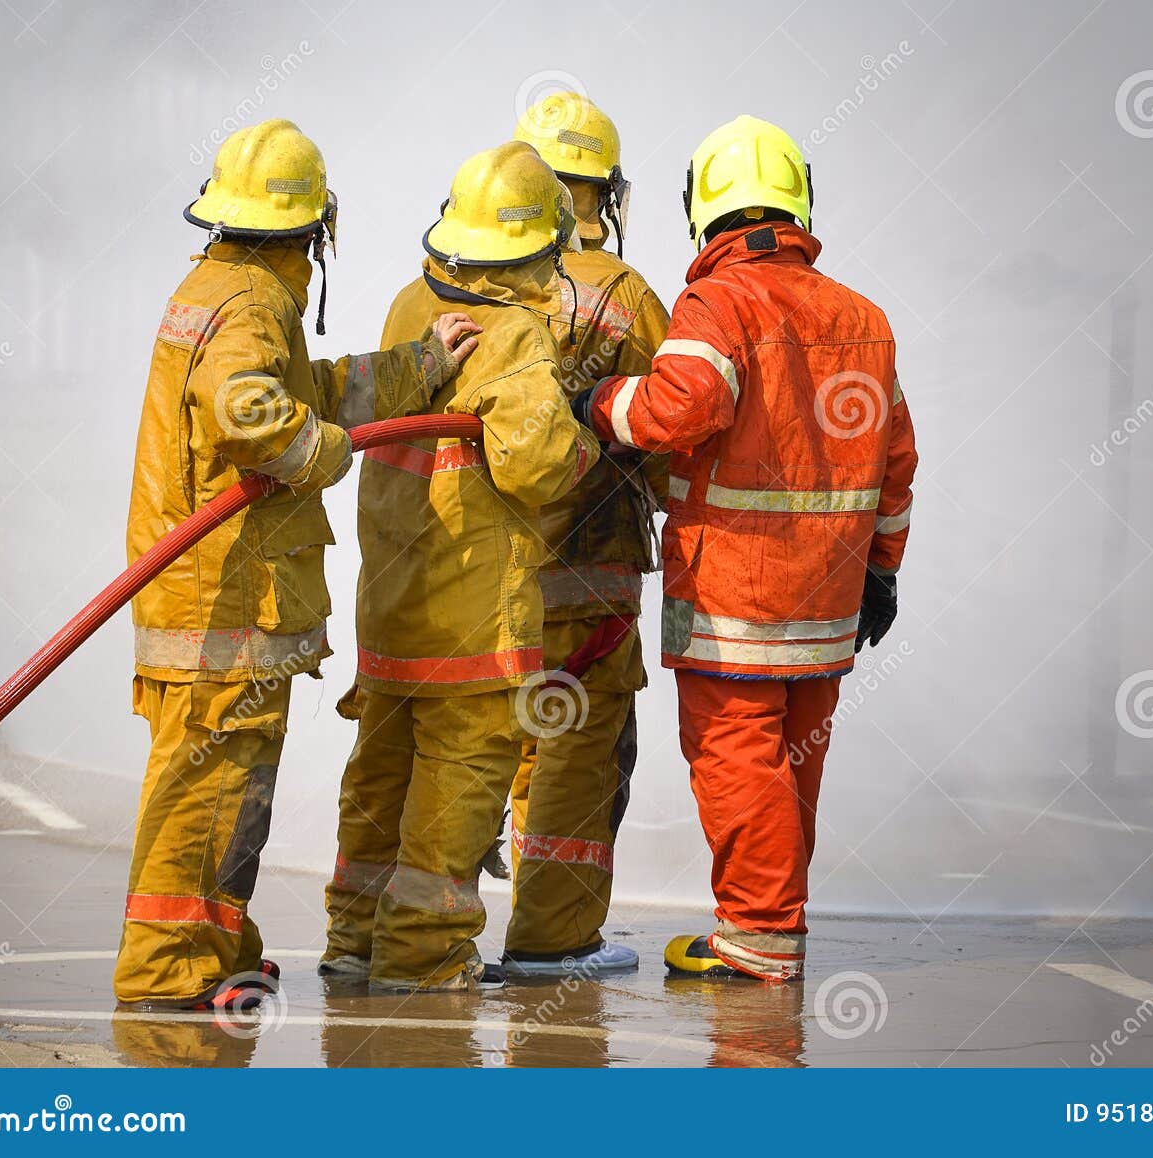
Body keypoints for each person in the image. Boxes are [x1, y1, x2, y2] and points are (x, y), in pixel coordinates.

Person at [118, 119, 478, 1010]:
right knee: (213, 781)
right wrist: (317, 453)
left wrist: (421, 366)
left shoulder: (220, 285)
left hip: (205, 588)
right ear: (313, 225)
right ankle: (171, 970)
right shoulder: (250, 302)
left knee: (220, 782)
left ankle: (216, 940)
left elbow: (313, 389)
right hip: (225, 600)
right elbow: (252, 411)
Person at [575, 115, 919, 982]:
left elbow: (678, 408)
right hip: (830, 602)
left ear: (705, 207)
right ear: (798, 199)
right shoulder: (865, 318)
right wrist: (881, 573)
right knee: (792, 769)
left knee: (738, 764)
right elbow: (896, 459)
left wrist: (603, 401)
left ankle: (759, 941)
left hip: (737, 597)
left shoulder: (722, 300)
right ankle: (771, 930)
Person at [321, 141, 599, 992]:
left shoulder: (413, 301)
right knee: (455, 792)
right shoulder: (515, 332)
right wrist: (585, 435)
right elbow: (535, 467)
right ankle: (424, 959)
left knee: (379, 777)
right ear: (535, 249)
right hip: (472, 622)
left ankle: (354, 943)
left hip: (394, 606)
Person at [500, 92, 670, 978]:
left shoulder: (476, 279)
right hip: (588, 575)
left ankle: (411, 939)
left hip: (479, 575)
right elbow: (675, 428)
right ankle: (553, 938)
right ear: (603, 192)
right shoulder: (622, 295)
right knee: (579, 746)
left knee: (510, 737)